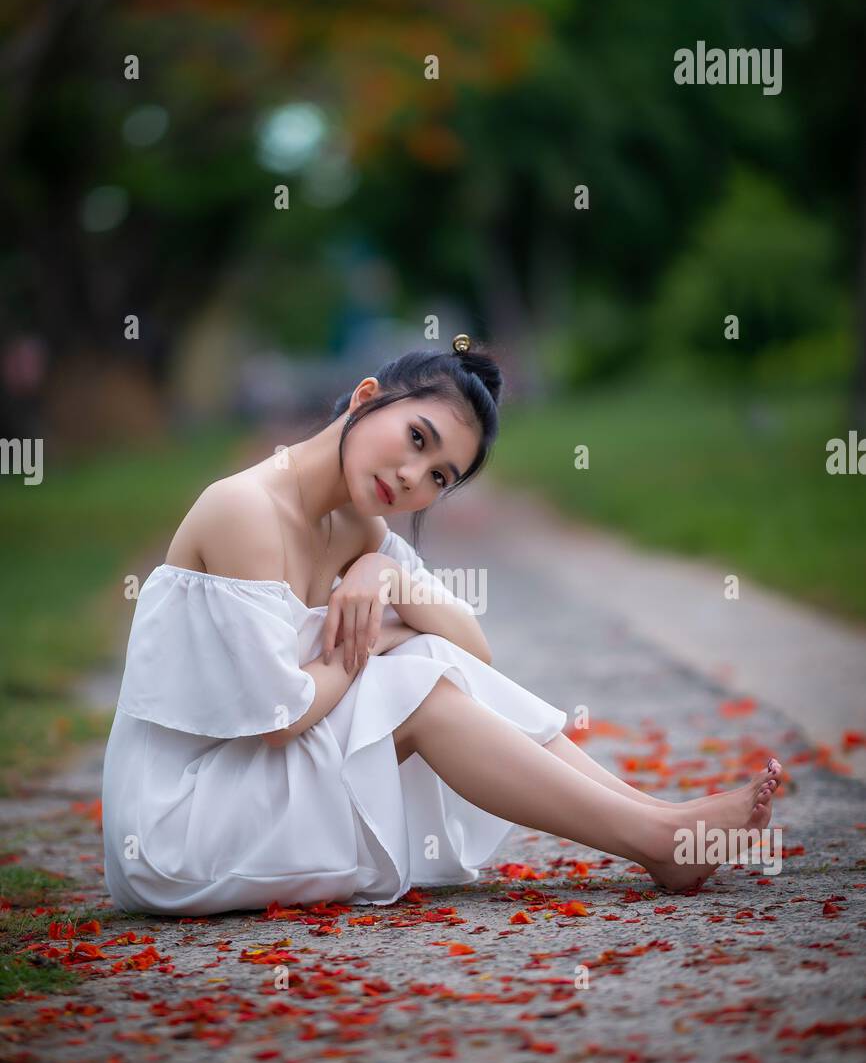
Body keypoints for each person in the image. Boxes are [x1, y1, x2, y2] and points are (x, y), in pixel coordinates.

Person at [101, 334, 782, 916]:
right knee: (415, 681)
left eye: (439, 475)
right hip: (182, 834)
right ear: (367, 398)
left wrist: (388, 577)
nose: (411, 476)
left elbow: (470, 651)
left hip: (255, 792)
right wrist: (377, 644)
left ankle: (655, 822)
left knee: (429, 661)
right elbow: (281, 714)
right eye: (417, 439)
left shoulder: (359, 527)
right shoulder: (245, 510)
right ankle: (655, 837)